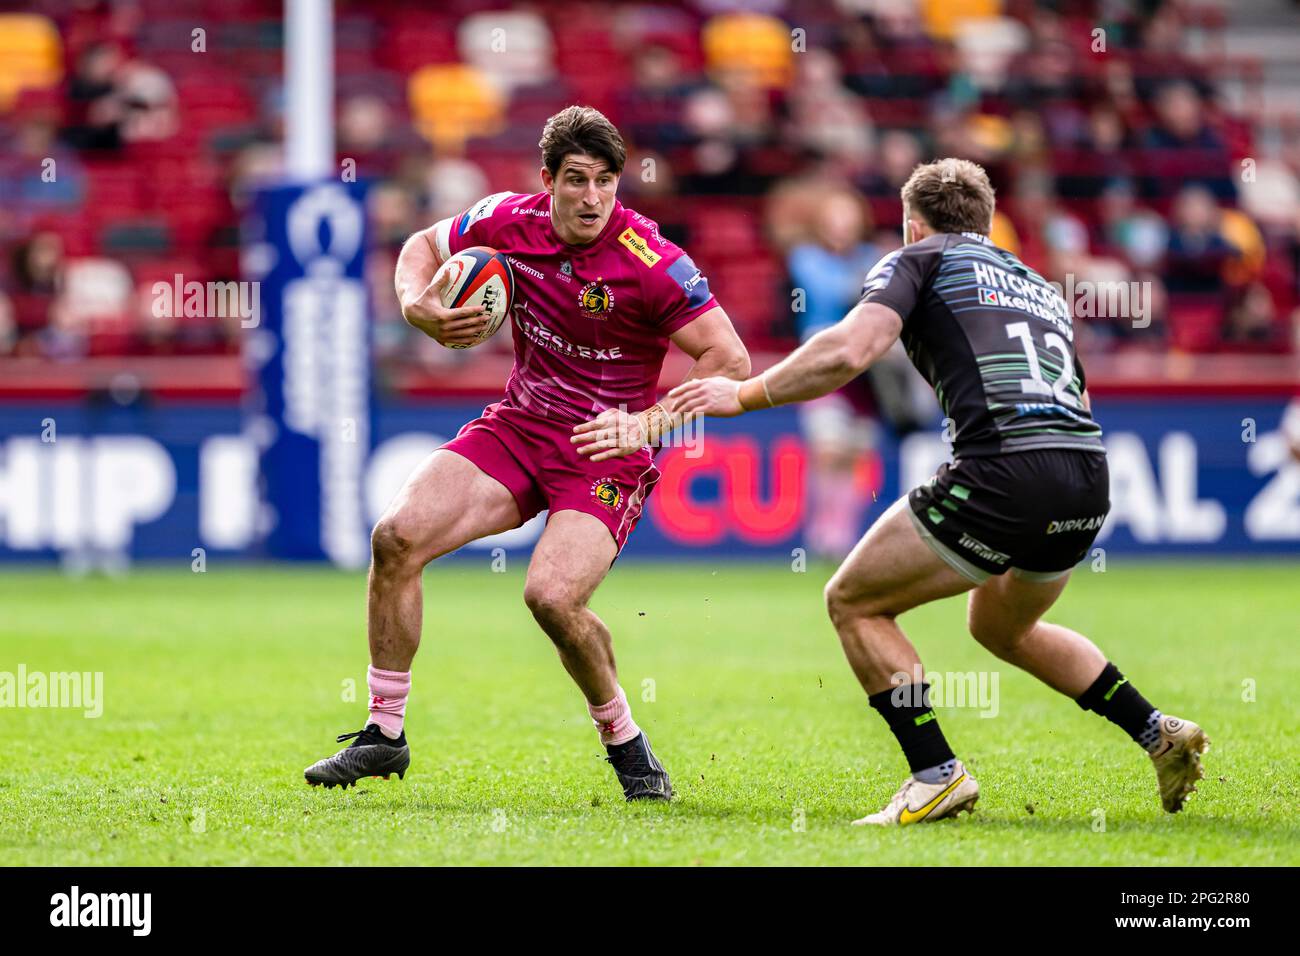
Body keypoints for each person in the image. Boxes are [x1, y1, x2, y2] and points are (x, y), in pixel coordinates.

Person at [667, 158, 1208, 825]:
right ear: (986, 222)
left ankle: (935, 775)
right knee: (1002, 627)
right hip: (1087, 474)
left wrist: (745, 394)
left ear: (913, 225)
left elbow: (849, 350)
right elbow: (1078, 393)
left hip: (1005, 472)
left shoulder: (917, 259)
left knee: (854, 601)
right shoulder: (1034, 283)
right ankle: (1157, 731)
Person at [304, 106, 750, 800]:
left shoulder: (653, 262)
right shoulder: (507, 220)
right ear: (548, 180)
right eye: (577, 180)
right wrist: (417, 304)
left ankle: (625, 741)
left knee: (551, 598)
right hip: (520, 425)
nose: (593, 198)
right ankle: (384, 734)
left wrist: (648, 424)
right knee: (395, 538)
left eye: (606, 181)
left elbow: (731, 359)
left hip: (604, 449)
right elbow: (422, 244)